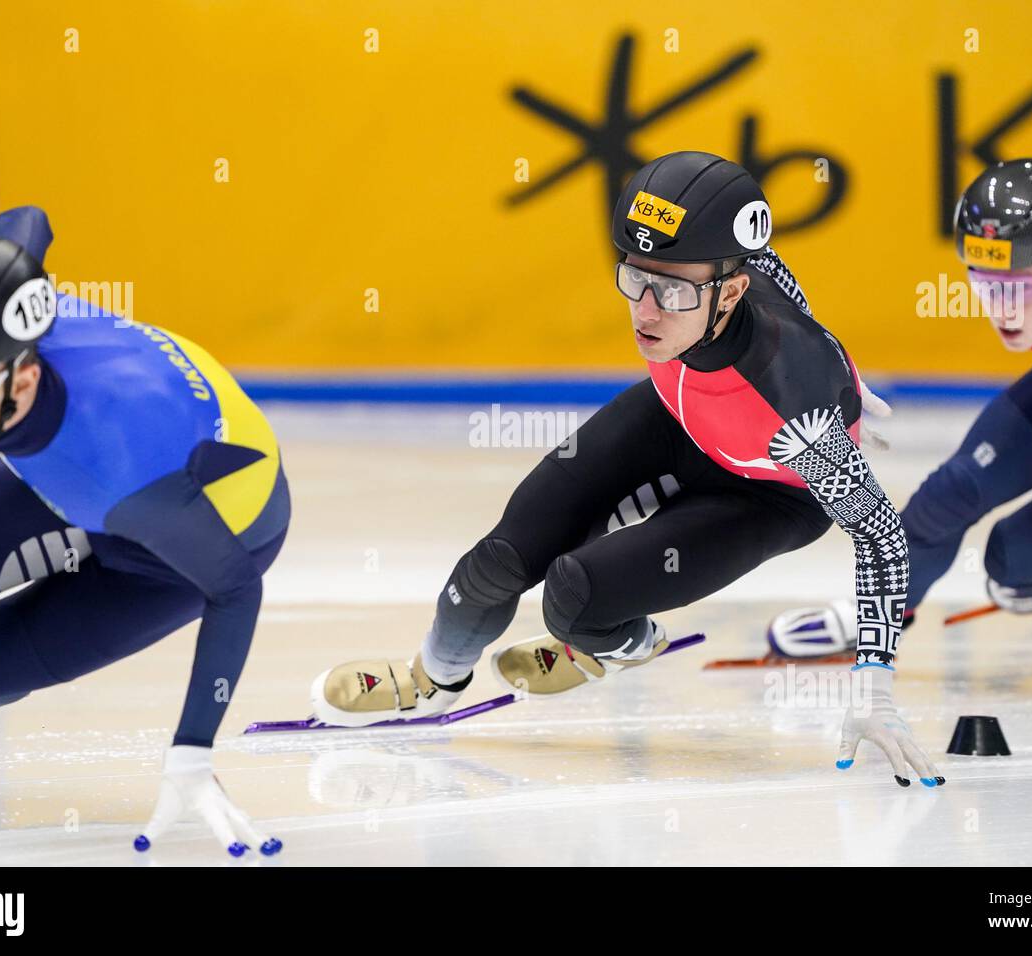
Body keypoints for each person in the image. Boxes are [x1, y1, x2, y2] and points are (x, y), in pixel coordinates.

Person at [311, 151, 944, 788]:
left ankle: (623, 646)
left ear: (731, 290)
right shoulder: (731, 271)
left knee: (575, 602)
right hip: (678, 420)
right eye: (634, 278)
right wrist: (846, 380)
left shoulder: (795, 414)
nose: (645, 311)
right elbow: (797, 303)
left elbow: (882, 536)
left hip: (765, 494)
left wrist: (875, 684)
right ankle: (430, 680)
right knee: (498, 561)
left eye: (670, 290)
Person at [0, 206, 290, 856]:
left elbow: (235, 591)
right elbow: (26, 221)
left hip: (192, 535)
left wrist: (192, 748)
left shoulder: (112, 463)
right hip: (100, 471)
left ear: (24, 379)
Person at [768, 158, 1032, 657]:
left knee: (1013, 571)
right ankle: (878, 615)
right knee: (953, 493)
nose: (1001, 310)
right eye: (986, 285)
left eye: (1018, 289)